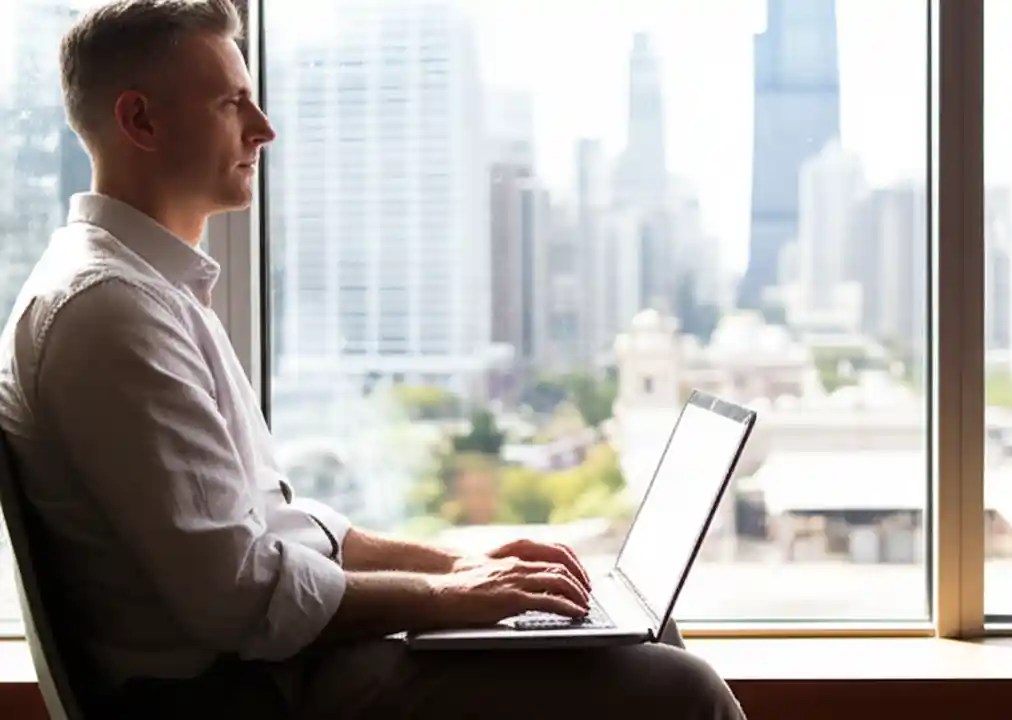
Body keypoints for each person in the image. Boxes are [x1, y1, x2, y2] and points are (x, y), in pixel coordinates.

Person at [0, 1, 745, 717]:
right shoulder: (110, 310)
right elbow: (241, 597)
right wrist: (453, 597)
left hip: (276, 669)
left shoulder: (148, 288)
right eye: (232, 103)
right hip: (245, 694)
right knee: (678, 690)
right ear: (140, 119)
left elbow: (280, 525)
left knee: (630, 632)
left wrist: (455, 564)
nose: (265, 129)